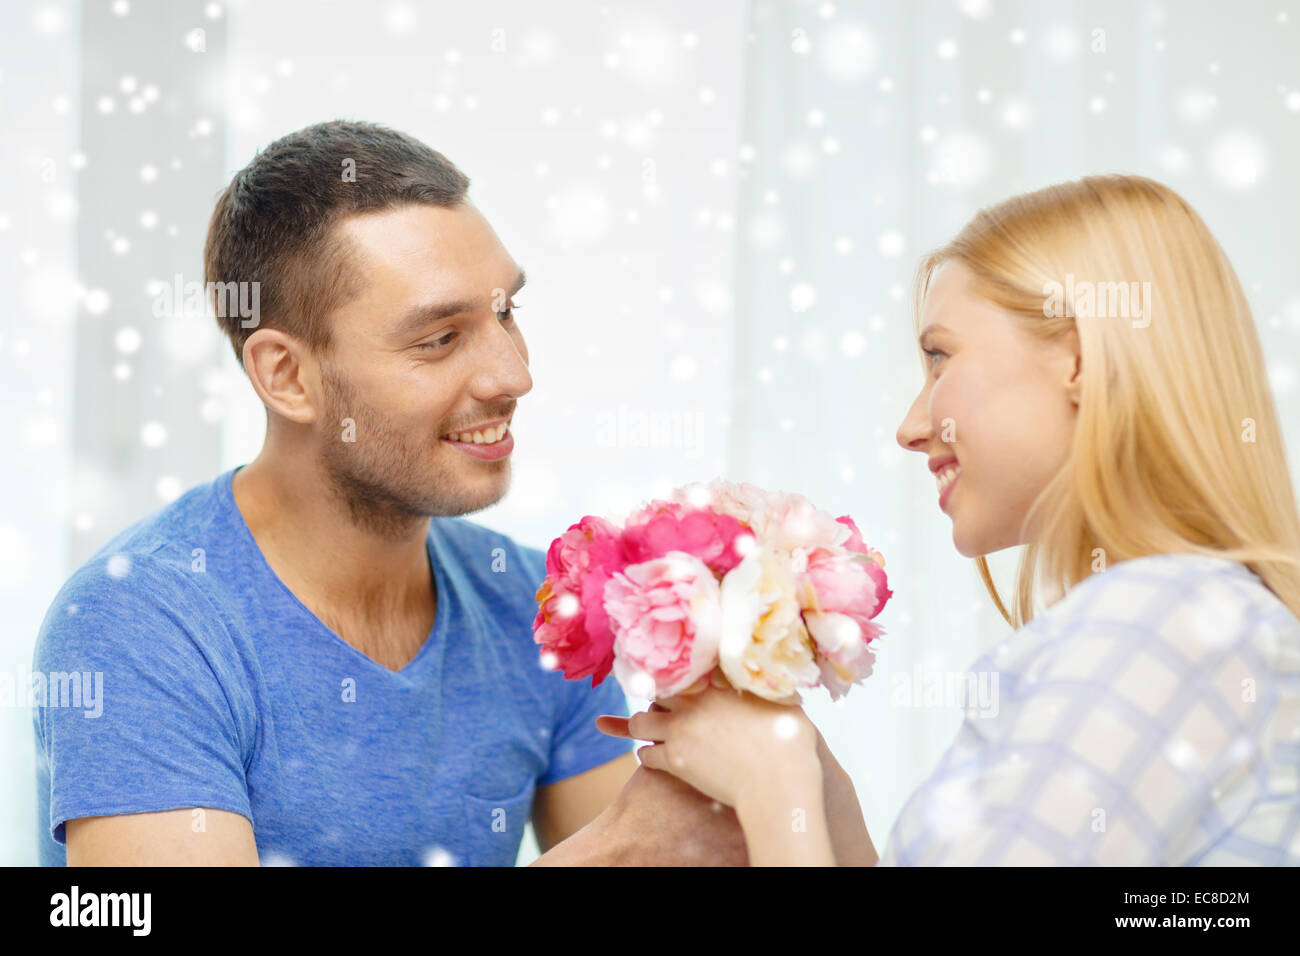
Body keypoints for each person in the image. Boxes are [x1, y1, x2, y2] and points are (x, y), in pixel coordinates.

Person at [32, 120, 746, 866]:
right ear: (286, 376)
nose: (512, 376)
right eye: (438, 339)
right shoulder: (142, 624)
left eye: (506, 313)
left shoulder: (528, 604)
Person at [600, 175, 1300, 866]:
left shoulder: (1160, 620)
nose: (910, 427)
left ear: (1081, 359)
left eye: (940, 357)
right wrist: (817, 792)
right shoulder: (1185, 623)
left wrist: (767, 787)